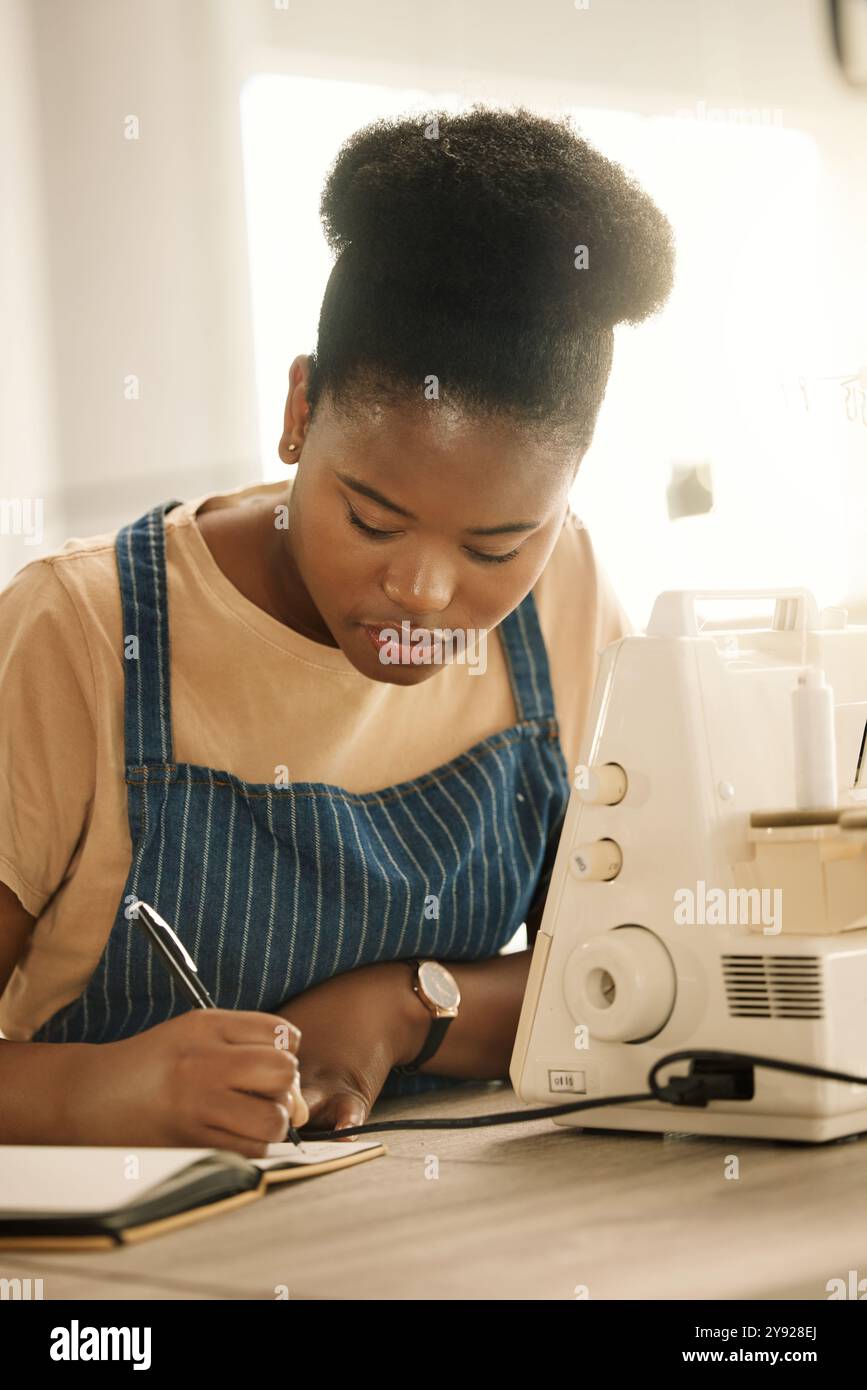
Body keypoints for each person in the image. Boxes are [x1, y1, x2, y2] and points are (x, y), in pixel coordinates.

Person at [0, 104, 674, 1155]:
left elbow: (645, 973)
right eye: (370, 516)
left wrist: (407, 1007)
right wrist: (99, 1094)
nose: (422, 591)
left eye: (497, 547)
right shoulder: (85, 629)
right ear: (300, 411)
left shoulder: (569, 594)